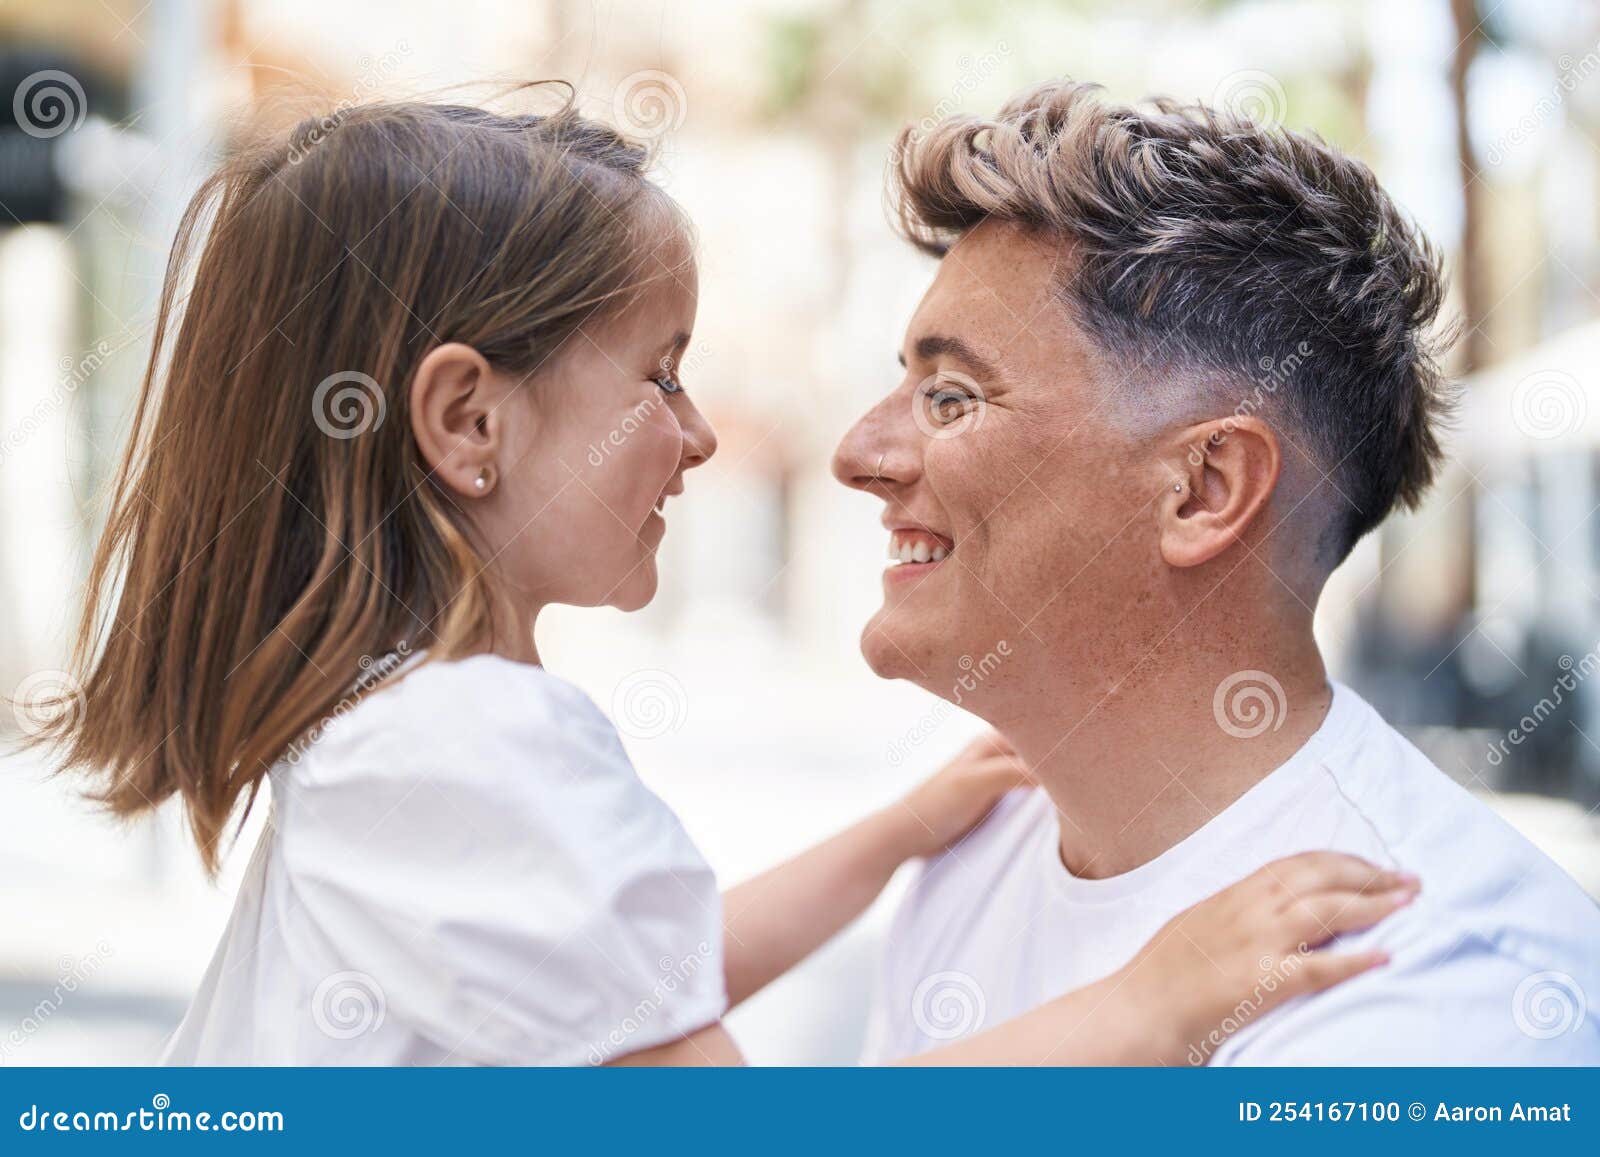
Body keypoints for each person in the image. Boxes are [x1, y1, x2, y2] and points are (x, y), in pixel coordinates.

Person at [31, 93, 1412, 1067]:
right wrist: (1149, 1006)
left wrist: (896, 831)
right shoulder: (468, 740)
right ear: (467, 423)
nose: (698, 435)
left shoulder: (407, 721)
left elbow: (654, 974)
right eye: (660, 375)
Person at [832, 79, 1600, 1065]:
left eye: (949, 395)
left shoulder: (1439, 1008)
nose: (857, 452)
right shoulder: (976, 853)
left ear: (1199, 488)